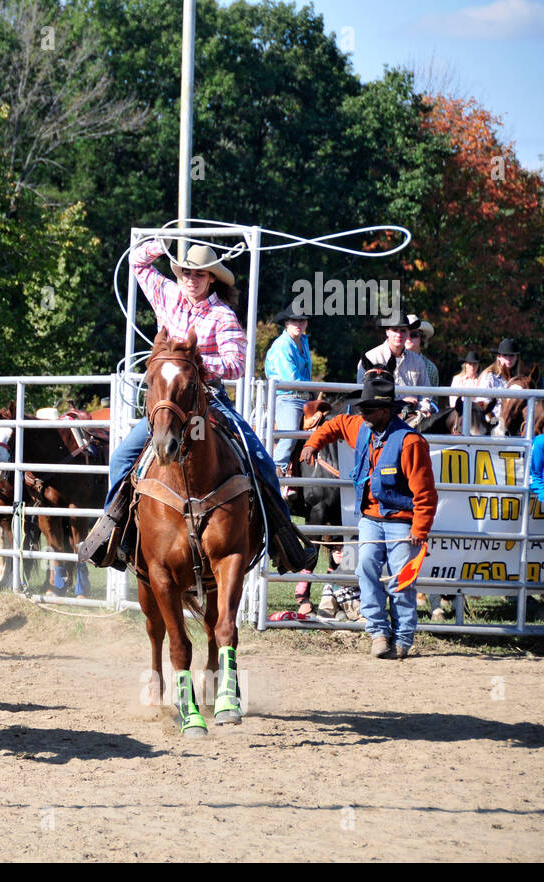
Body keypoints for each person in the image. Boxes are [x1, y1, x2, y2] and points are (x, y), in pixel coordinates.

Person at [101, 239, 316, 573]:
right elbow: (137, 264)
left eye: (199, 274)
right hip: (169, 404)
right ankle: (114, 533)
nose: (191, 279)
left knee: (260, 459)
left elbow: (237, 364)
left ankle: (282, 539)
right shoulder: (167, 294)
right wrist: (161, 244)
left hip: (209, 401)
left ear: (212, 278)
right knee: (122, 457)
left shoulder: (222, 316)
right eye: (186, 273)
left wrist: (195, 365)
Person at [299, 362, 437, 660]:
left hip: (402, 522)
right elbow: (334, 424)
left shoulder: (410, 443)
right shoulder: (361, 427)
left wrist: (420, 529)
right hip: (371, 519)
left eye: (369, 409)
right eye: (362, 408)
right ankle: (378, 632)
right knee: (366, 570)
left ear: (385, 410)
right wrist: (313, 442)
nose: (362, 413)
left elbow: (425, 492)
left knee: (401, 581)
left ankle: (402, 637)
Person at [359, 313, 436, 429]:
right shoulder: (371, 358)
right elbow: (364, 395)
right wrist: (400, 403)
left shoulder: (417, 361)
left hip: (413, 418)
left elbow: (425, 393)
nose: (399, 334)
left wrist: (422, 411)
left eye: (403, 330)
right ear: (387, 332)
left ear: (408, 333)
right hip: (379, 419)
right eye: (395, 330)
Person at [263, 302, 313, 479]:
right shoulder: (282, 346)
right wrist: (312, 389)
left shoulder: (303, 342)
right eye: (294, 320)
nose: (298, 324)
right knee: (290, 433)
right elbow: (291, 380)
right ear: (286, 323)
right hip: (287, 397)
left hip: (304, 395)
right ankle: (278, 469)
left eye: (302, 320)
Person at [406, 319, 440, 388]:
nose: (408, 338)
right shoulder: (392, 362)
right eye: (405, 334)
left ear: (421, 339)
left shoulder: (430, 368)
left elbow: (432, 394)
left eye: (413, 335)